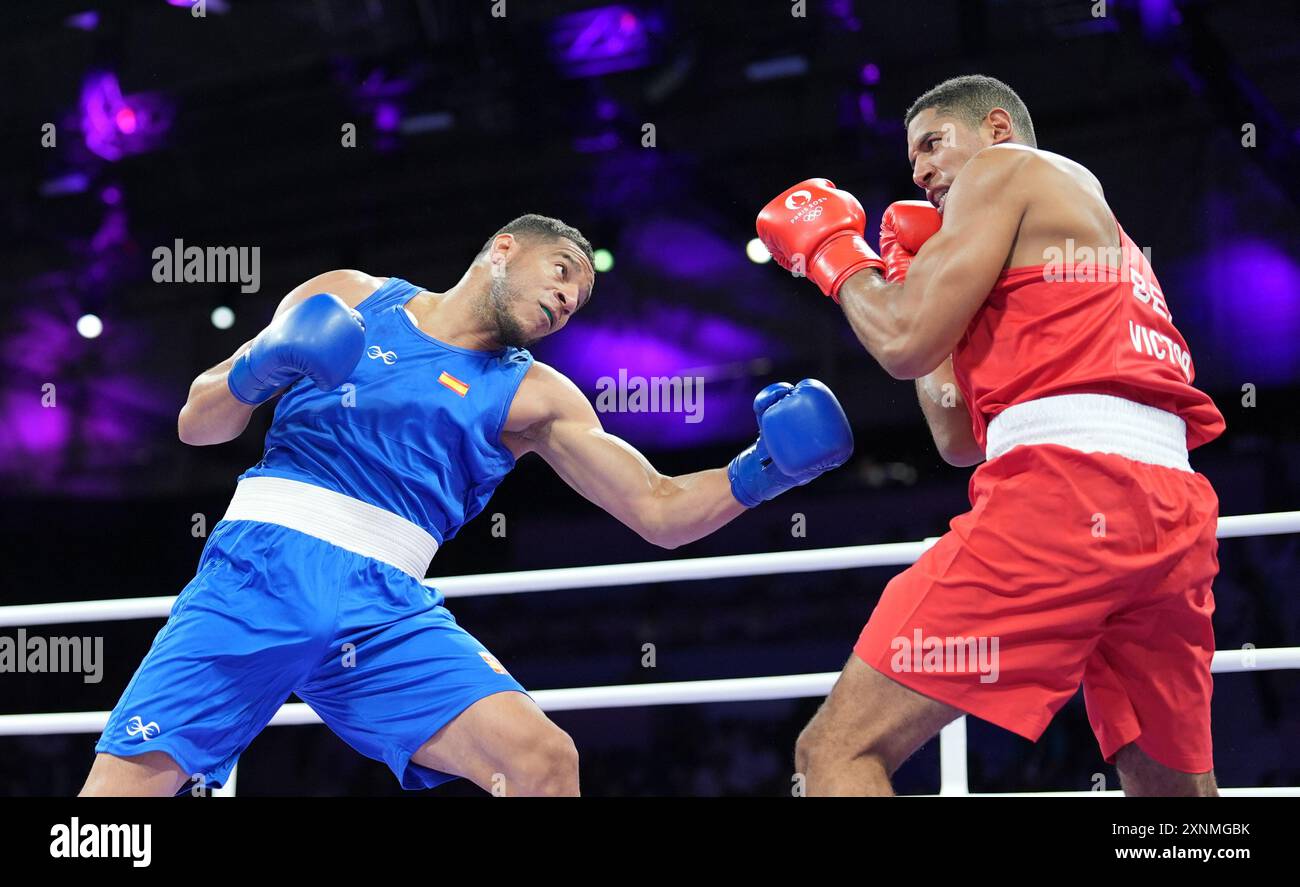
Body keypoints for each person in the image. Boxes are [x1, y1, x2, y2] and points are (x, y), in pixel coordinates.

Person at [81, 213, 854, 796]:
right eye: (560, 272)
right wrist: (265, 359)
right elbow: (198, 420)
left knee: (544, 761)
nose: (566, 297)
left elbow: (657, 508)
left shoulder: (538, 395)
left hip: (386, 606)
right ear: (503, 247)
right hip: (260, 568)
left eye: (579, 298)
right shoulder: (352, 297)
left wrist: (763, 472)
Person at [756, 75, 1225, 796]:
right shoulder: (1078, 244)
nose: (923, 173)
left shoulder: (1008, 169)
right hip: (1170, 512)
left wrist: (836, 258)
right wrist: (914, 276)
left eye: (934, 145)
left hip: (1068, 493)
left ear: (997, 129)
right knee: (1171, 791)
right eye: (913, 165)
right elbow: (956, 434)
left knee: (835, 752)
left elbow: (902, 338)